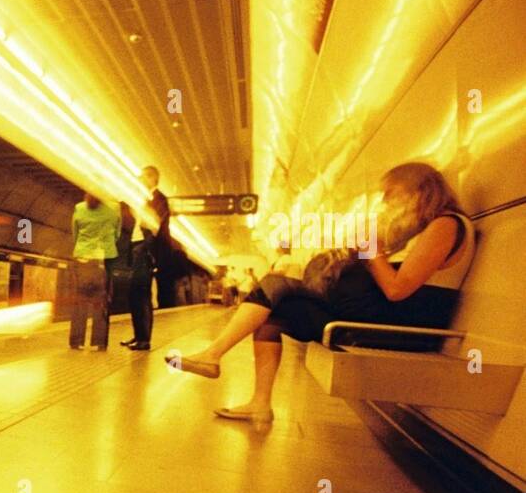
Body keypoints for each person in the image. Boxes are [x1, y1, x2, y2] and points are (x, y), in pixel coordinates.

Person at [167, 162, 475, 425]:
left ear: (418, 191)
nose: (385, 204)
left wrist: (371, 251)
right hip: (387, 315)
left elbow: (396, 290)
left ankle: (213, 355)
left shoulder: (446, 225)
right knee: (272, 309)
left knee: (276, 286)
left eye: (391, 195)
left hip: (407, 327)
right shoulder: (429, 229)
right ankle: (258, 401)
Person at [68, 190, 121, 350]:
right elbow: (116, 235)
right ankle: (99, 343)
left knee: (79, 302)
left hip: (82, 259)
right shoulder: (112, 211)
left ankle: (76, 341)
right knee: (101, 303)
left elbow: (75, 233)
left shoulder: (79, 208)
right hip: (100, 260)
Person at [116, 200, 154, 349]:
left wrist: (143, 248)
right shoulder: (142, 205)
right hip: (136, 251)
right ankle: (138, 336)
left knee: (142, 298)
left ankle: (144, 340)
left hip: (143, 254)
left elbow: (155, 231)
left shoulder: (155, 201)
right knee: (134, 297)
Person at [140, 166, 176, 308]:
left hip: (159, 250)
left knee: (163, 290)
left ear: (153, 178)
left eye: (144, 176)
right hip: (157, 249)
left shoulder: (160, 198)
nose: (142, 180)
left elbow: (154, 224)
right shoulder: (151, 198)